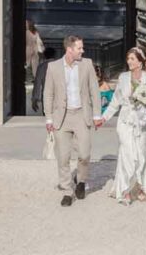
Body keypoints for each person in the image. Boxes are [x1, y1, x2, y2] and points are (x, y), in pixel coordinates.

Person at [98, 46, 146, 205]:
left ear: (140, 62)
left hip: (142, 123)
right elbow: (115, 102)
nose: (129, 61)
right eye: (128, 58)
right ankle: (125, 190)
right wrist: (104, 118)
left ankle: (143, 187)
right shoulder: (123, 78)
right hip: (125, 121)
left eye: (132, 59)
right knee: (127, 154)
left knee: (142, 155)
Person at [43, 35, 102, 207]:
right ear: (69, 49)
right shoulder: (53, 67)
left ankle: (81, 180)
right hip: (61, 117)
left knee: (84, 154)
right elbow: (48, 93)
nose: (83, 51)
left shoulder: (87, 64)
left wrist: (97, 115)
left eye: (82, 48)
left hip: (82, 115)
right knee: (63, 157)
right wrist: (48, 118)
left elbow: (94, 90)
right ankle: (67, 191)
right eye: (79, 48)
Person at [31, 46, 56, 114]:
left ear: (45, 56)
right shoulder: (60, 66)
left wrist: (34, 99)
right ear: (54, 55)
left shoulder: (41, 67)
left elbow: (37, 84)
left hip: (46, 96)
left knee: (47, 117)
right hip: (59, 96)